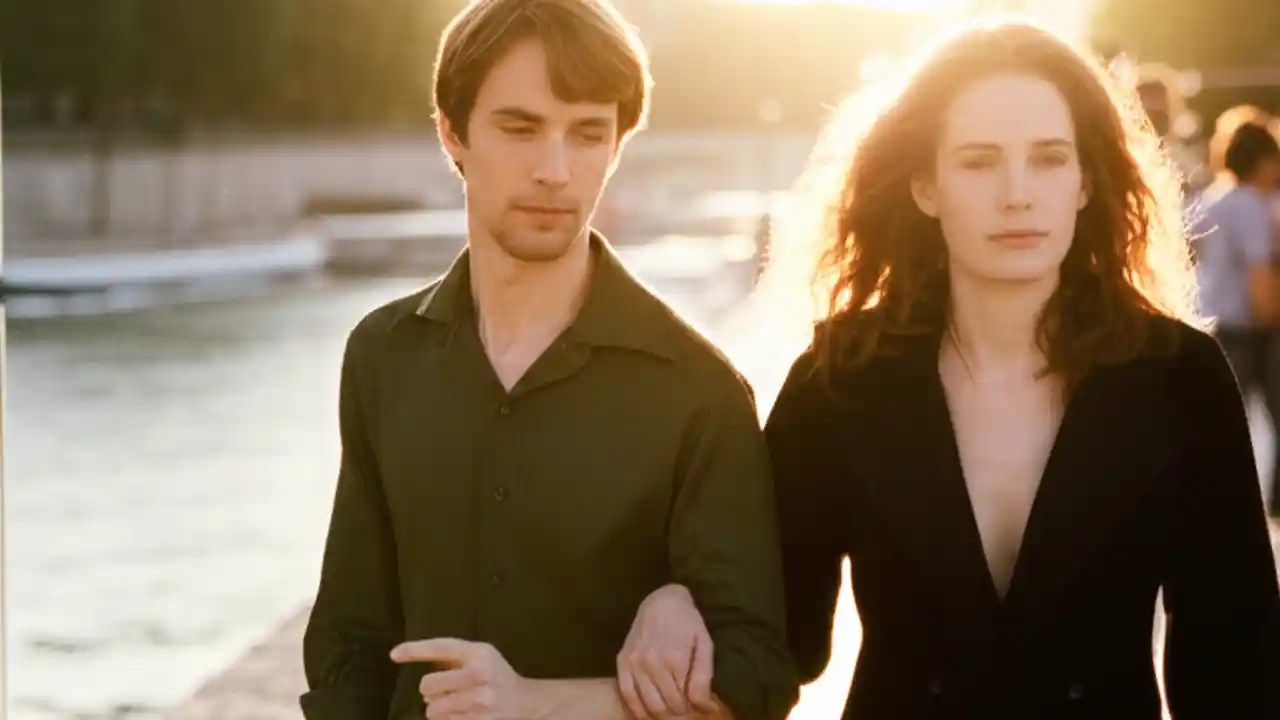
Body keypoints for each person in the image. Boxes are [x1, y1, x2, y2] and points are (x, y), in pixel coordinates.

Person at [624, 20, 1280, 719]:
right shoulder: (843, 378)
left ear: (1086, 182)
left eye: (1050, 158)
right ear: (925, 186)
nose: (1017, 193)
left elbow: (1233, 665)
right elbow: (773, 633)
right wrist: (672, 598)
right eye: (978, 161)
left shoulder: (1178, 378)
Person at [300, 1, 798, 719]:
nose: (555, 170)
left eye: (588, 134)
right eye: (520, 128)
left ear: (616, 147)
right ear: (452, 133)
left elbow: (756, 678)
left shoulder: (700, 391)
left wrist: (541, 701)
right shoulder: (382, 355)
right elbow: (350, 638)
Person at [1195, 121, 1280, 519]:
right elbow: (1258, 272)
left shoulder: (1215, 197)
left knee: (1216, 421)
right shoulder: (1249, 203)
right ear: (1262, 162)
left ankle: (1206, 502)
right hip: (1248, 327)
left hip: (1213, 320)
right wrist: (1272, 316)